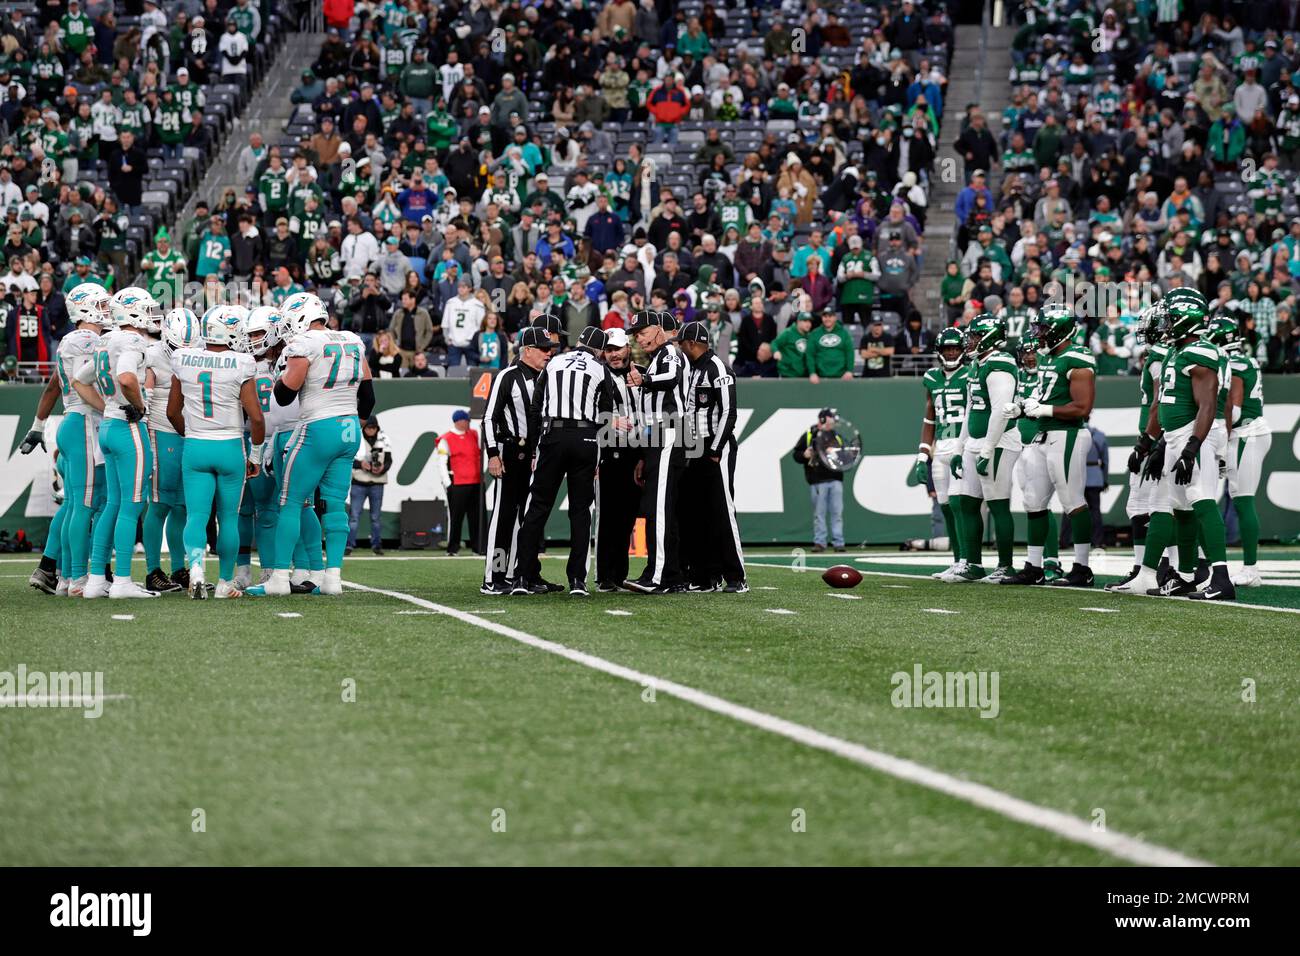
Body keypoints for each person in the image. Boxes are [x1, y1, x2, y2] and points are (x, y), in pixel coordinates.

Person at [248, 294, 373, 597]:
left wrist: (281, 374)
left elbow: (285, 395)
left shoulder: (303, 345)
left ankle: (278, 578)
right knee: (333, 504)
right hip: (349, 429)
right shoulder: (352, 341)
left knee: (290, 501)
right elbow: (368, 396)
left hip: (318, 427)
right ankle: (332, 578)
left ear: (300, 318)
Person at [512, 326, 621, 596]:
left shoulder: (555, 361)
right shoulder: (600, 369)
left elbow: (536, 407)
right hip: (585, 437)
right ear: (599, 350)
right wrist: (599, 453)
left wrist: (537, 446)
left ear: (579, 342)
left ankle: (522, 578)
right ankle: (577, 581)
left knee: (537, 507)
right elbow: (607, 414)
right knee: (580, 511)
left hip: (553, 436)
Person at [166, 305, 265, 599]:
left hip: (196, 445)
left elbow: (172, 411)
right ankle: (223, 583)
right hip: (230, 446)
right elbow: (256, 418)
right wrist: (256, 454)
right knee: (228, 518)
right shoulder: (242, 362)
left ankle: (196, 569)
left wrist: (193, 433)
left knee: (196, 516)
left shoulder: (183, 358)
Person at [20, 283, 111, 598]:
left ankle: (58, 575)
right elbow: (84, 383)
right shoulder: (89, 340)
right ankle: (77, 578)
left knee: (75, 504)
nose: (106, 310)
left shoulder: (69, 341)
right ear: (85, 308)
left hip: (73, 421)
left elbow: (52, 387)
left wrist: (37, 425)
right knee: (85, 505)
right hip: (86, 420)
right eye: (100, 304)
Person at [71, 288, 162, 599]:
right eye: (146, 309)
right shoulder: (131, 340)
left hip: (109, 425)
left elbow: (79, 381)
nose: (151, 315)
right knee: (132, 504)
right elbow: (125, 377)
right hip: (127, 426)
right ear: (133, 311)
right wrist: (139, 405)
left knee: (112, 504)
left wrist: (106, 407)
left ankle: (97, 578)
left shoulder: (105, 339)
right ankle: (122, 579)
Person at [480, 326, 555, 594]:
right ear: (528, 350)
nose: (549, 353)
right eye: (544, 349)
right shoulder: (508, 377)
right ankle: (494, 578)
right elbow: (489, 417)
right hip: (511, 452)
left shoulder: (548, 378)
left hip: (537, 456)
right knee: (504, 517)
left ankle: (524, 574)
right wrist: (493, 454)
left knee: (530, 518)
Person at [678, 322, 745, 592]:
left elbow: (729, 412)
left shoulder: (718, 368)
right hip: (693, 446)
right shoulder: (691, 370)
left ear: (692, 343)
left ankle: (736, 576)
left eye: (681, 342)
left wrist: (716, 449)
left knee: (722, 510)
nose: (679, 347)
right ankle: (705, 576)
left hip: (715, 445)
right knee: (696, 512)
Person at [140, 307, 202, 595]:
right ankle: (153, 570)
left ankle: (179, 568)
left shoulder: (200, 348)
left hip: (190, 433)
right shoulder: (152, 354)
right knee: (160, 503)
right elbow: (144, 395)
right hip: (161, 432)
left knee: (182, 506)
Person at [626, 310, 689, 593]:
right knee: (660, 507)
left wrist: (646, 381)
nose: (639, 339)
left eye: (642, 332)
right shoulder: (656, 359)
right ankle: (670, 573)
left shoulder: (669, 353)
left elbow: (673, 377)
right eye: (636, 336)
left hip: (668, 432)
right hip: (655, 437)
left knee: (659, 509)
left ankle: (659, 575)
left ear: (658, 329)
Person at [792, 409, 845, 553]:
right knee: (819, 514)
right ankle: (820, 542)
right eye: (830, 421)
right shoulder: (810, 434)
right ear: (822, 420)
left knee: (837, 513)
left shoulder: (836, 436)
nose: (832, 424)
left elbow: (846, 456)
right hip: (817, 480)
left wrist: (838, 454)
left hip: (835, 479)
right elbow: (796, 454)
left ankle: (838, 542)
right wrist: (804, 454)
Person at [437, 409, 483, 556]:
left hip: (475, 482)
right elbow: (442, 462)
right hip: (457, 483)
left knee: (476, 517)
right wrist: (447, 482)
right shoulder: (446, 439)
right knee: (456, 517)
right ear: (458, 421)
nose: (468, 423)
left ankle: (478, 546)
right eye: (466, 420)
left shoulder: (474, 435)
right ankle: (452, 548)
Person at [347, 416, 392, 556]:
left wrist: (382, 468)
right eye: (368, 427)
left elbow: (389, 461)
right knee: (354, 516)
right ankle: (349, 545)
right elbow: (347, 459)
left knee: (376, 517)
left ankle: (377, 545)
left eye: (373, 428)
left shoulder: (384, 439)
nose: (371, 430)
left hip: (377, 483)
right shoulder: (356, 438)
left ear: (377, 428)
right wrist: (361, 464)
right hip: (359, 482)